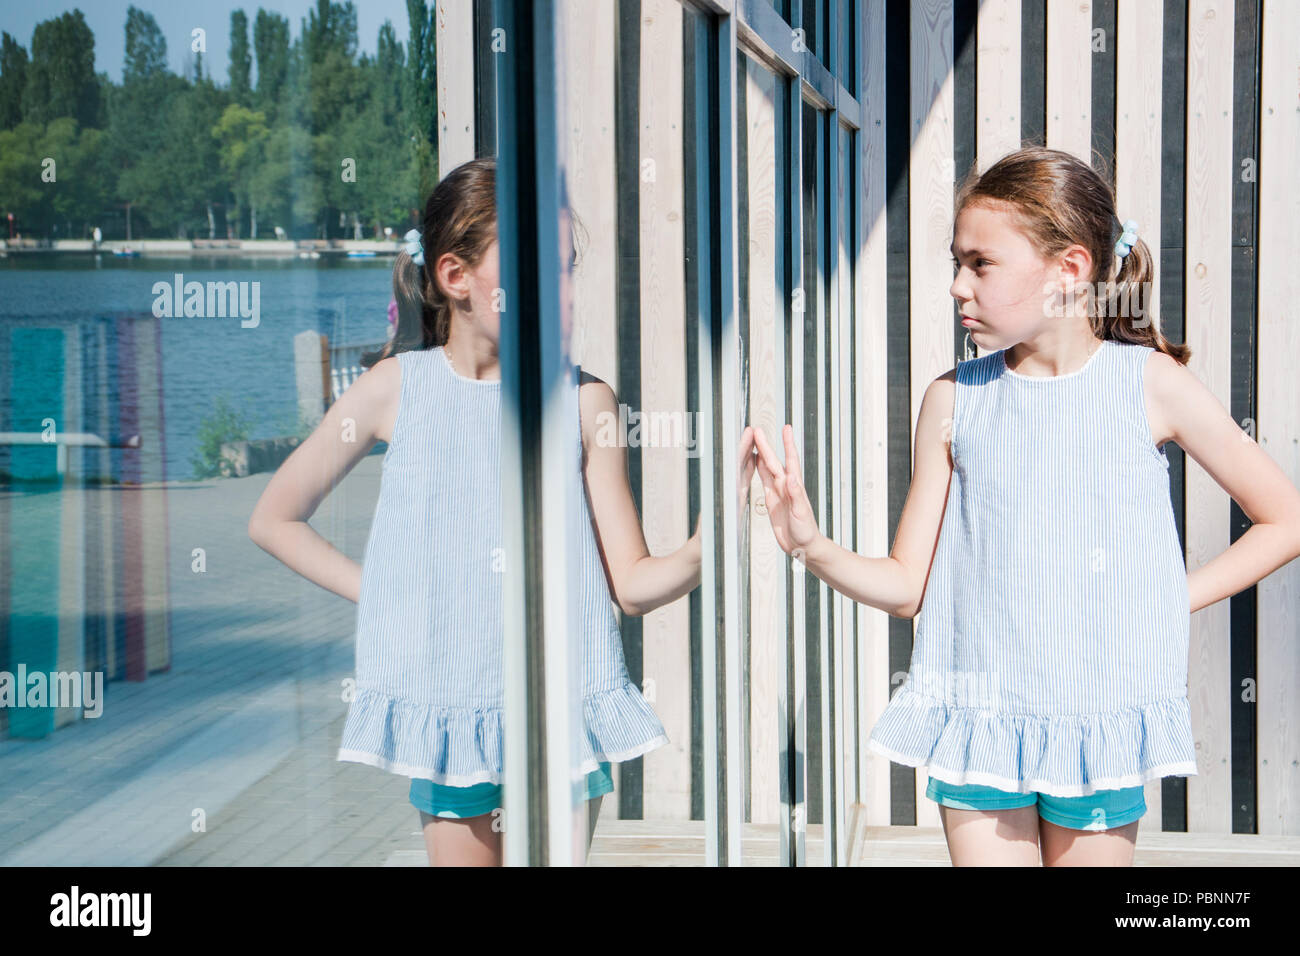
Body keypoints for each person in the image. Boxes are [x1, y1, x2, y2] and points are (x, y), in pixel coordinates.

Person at [750, 145, 1300, 866]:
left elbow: (1285, 519)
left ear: (1069, 269)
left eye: (981, 263)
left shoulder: (1151, 385)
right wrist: (810, 545)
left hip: (1098, 728)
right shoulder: (952, 400)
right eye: (957, 263)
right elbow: (909, 586)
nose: (957, 286)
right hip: (980, 728)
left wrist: (1169, 594)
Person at [250, 157, 750, 865]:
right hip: (451, 715)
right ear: (455, 277)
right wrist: (385, 592)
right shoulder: (395, 390)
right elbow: (274, 518)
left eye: (566, 267)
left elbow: (632, 586)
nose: (563, 289)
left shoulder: (586, 403)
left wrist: (708, 542)